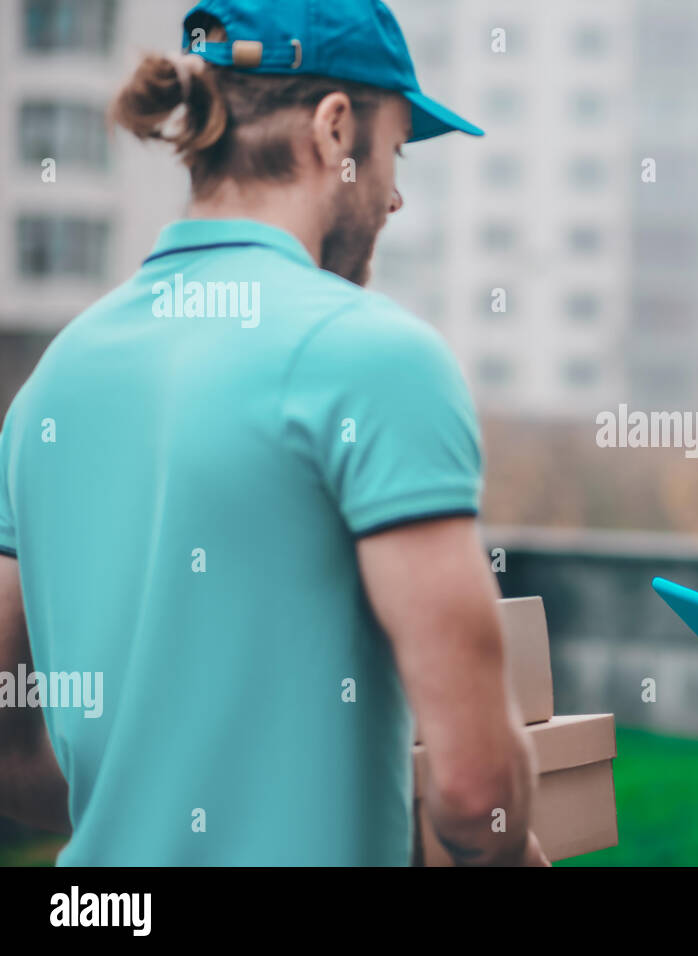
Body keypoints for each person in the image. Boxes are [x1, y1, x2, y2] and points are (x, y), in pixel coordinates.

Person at [0, 0, 547, 866]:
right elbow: (475, 794)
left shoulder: (48, 388)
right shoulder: (373, 358)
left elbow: (10, 753)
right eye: (396, 150)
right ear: (336, 129)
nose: (395, 194)